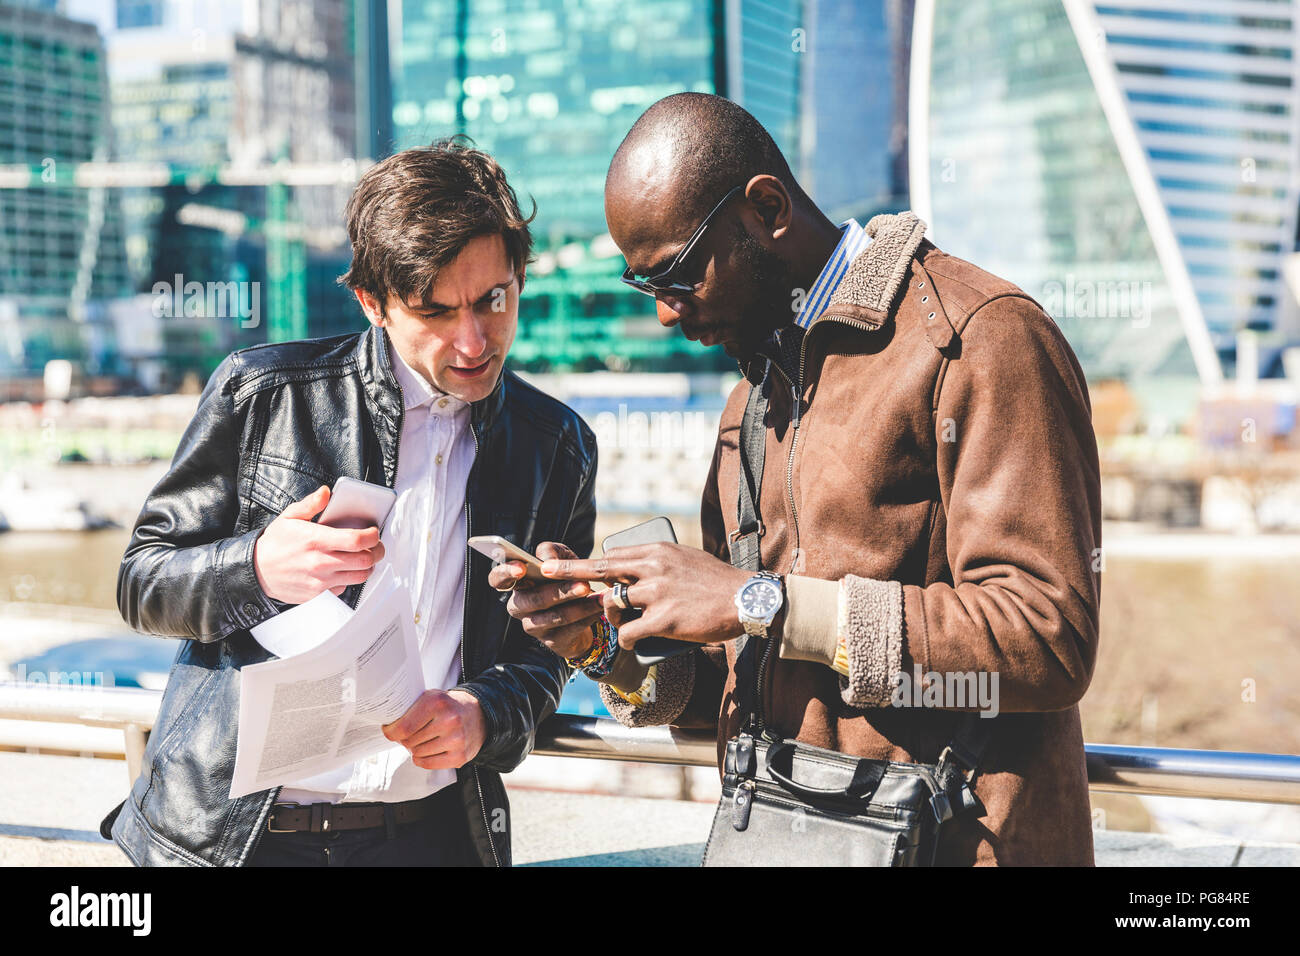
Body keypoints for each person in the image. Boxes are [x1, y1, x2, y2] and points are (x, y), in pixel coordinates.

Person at [495, 93, 1102, 865]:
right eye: (644, 288)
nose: (665, 316)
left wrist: (758, 600)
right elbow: (733, 666)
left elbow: (1046, 639)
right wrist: (606, 642)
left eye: (676, 275)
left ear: (768, 207)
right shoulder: (750, 398)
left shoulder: (981, 337)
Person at [101, 137, 600, 867]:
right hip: (237, 841)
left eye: (493, 300)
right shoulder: (261, 393)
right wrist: (259, 568)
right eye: (434, 312)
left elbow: (552, 646)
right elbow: (141, 583)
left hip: (431, 836)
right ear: (373, 303)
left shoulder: (556, 445)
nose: (472, 341)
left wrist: (486, 713)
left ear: (518, 278)